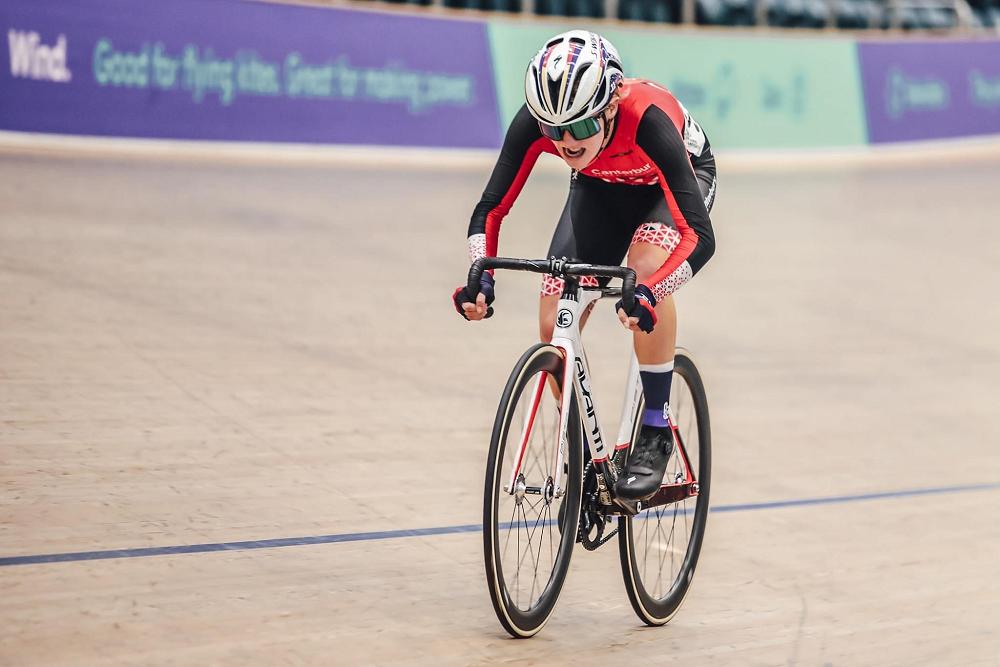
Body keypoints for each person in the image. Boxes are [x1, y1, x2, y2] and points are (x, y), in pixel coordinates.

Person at [452, 30, 717, 502]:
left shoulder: (648, 121)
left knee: (645, 262)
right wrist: (480, 273)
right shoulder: (543, 122)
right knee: (555, 309)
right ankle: (584, 453)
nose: (565, 141)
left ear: (609, 107)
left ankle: (655, 427)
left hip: (671, 183)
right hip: (601, 188)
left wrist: (651, 291)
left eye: (577, 128)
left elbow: (700, 239)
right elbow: (488, 209)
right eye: (554, 132)